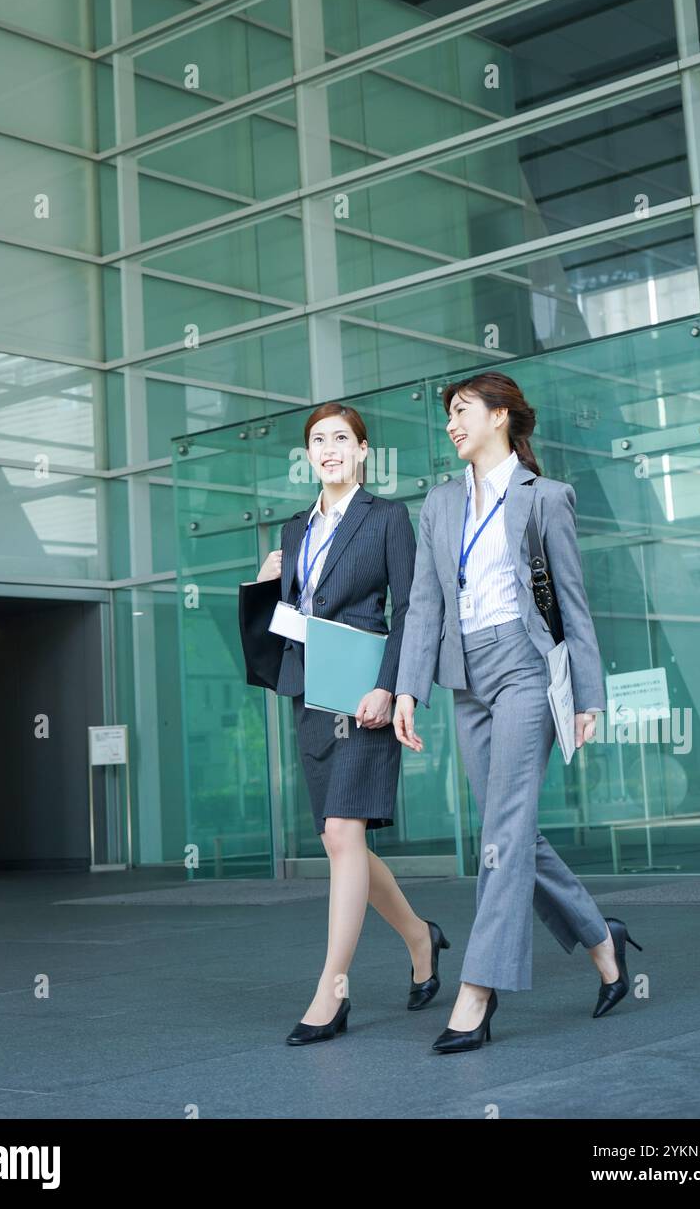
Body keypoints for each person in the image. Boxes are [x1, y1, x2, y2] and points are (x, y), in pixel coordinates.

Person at [393, 372, 643, 1054]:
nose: (451, 423)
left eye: (462, 410)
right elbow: (423, 605)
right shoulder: (440, 505)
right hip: (462, 673)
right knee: (513, 831)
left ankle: (478, 989)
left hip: (524, 667)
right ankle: (601, 939)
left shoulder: (545, 498)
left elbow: (568, 600)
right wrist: (408, 689)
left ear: (500, 417)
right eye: (447, 413)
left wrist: (586, 694)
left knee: (502, 827)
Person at [253, 401, 450, 1045]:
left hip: (366, 691)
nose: (329, 448)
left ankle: (331, 989)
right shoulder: (292, 530)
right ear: (308, 455)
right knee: (345, 844)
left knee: (343, 832)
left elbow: (414, 606)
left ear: (363, 450)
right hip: (312, 692)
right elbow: (285, 621)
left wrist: (390, 686)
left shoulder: (388, 517)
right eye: (318, 440)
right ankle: (421, 936)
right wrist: (263, 587)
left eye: (342, 438)